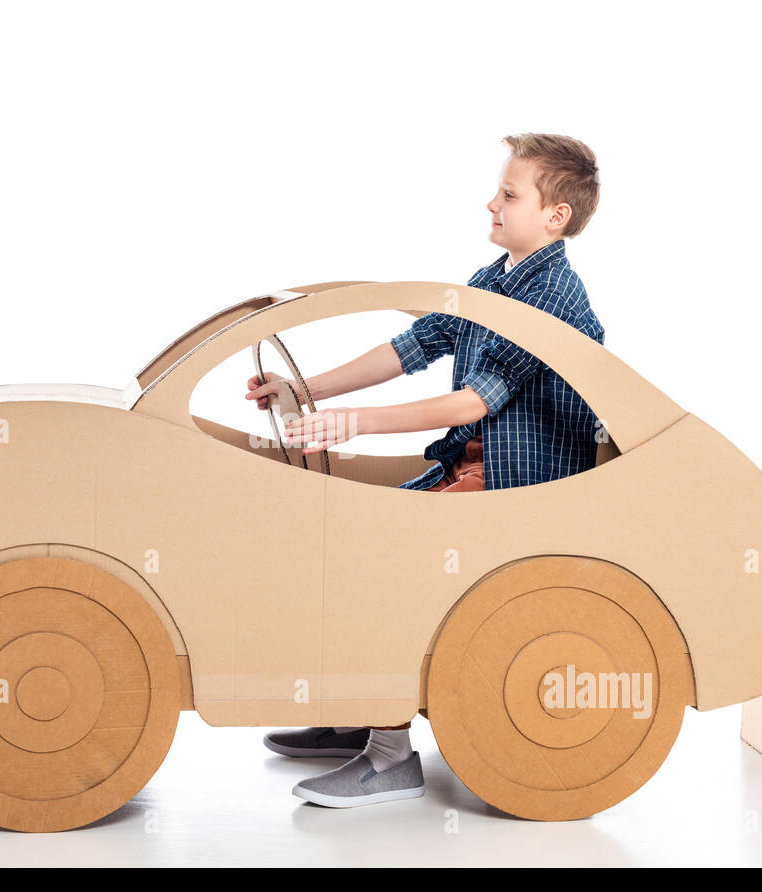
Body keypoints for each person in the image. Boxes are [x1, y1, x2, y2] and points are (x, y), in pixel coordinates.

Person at [246, 133, 605, 807]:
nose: (491, 202)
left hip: (515, 489)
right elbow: (411, 347)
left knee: (389, 555)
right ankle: (364, 707)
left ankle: (389, 757)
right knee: (353, 535)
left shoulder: (554, 292)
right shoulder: (493, 280)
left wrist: (354, 423)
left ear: (555, 216)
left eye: (509, 193)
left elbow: (477, 398)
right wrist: (304, 389)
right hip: (473, 469)